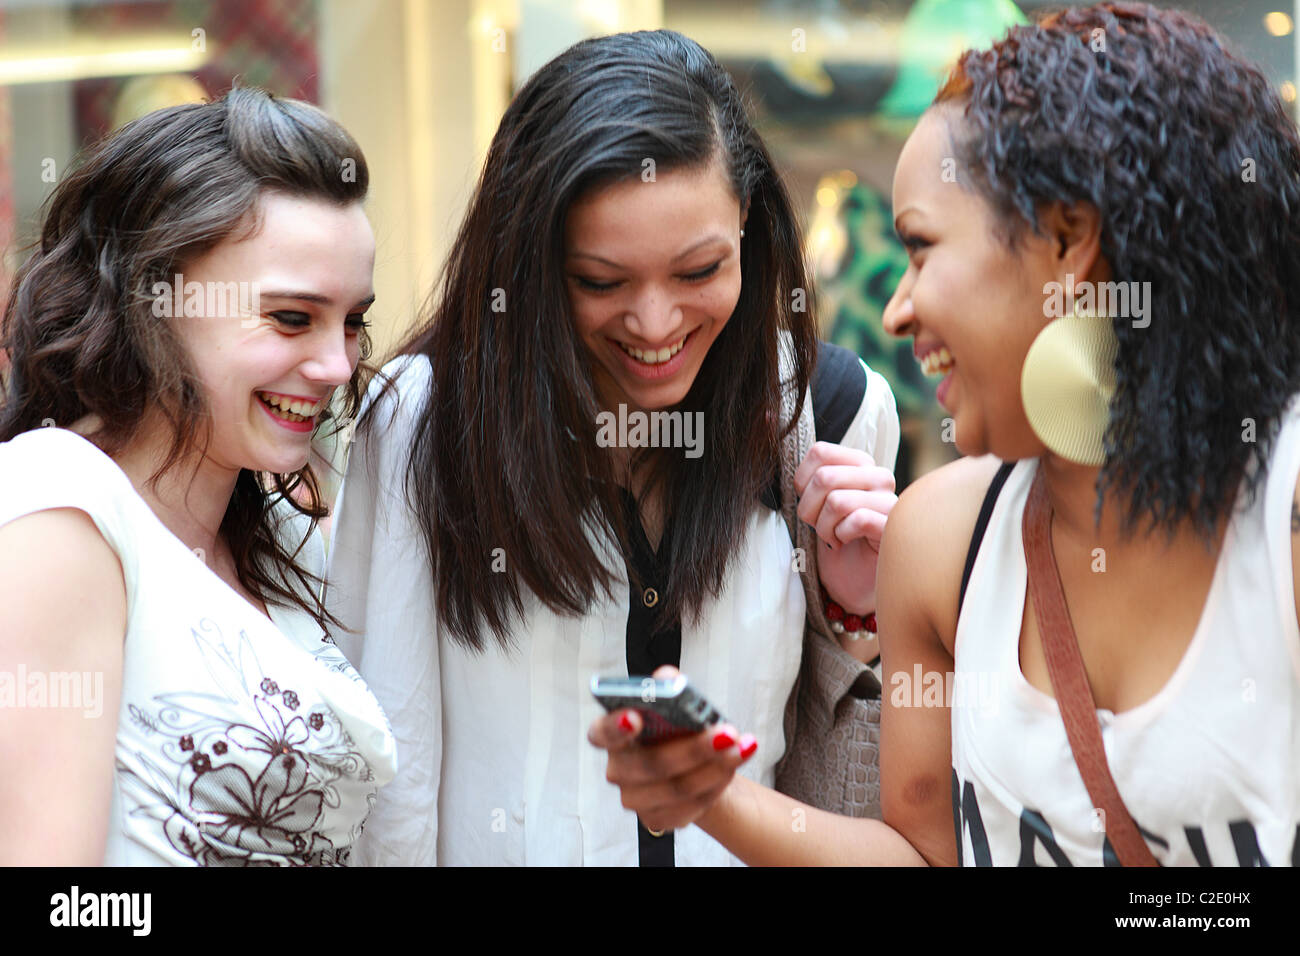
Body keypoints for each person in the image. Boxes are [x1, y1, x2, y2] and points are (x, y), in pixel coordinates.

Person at [592, 1, 1300, 866]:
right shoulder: (939, 541)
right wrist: (716, 797)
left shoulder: (1282, 520)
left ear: (1068, 240)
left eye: (922, 249)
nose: (896, 310)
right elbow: (923, 854)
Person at [326, 29, 900, 866]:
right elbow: (388, 773)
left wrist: (858, 617)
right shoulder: (427, 420)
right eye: (601, 281)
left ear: (748, 223)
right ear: (530, 265)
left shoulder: (826, 413)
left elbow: (838, 769)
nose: (655, 324)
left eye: (699, 271)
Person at [0, 87, 396, 866]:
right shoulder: (61, 506)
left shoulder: (281, 532)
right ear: (154, 301)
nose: (336, 364)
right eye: (291, 318)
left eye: (353, 322)